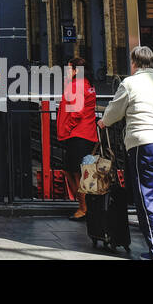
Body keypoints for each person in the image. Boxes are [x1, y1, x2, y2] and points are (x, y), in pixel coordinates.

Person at [99, 45, 153, 260]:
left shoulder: (129, 84)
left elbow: (113, 112)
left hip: (145, 145)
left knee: (150, 198)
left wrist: (103, 122)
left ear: (134, 63)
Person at [57, 56, 98, 221]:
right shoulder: (87, 84)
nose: (66, 71)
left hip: (77, 135)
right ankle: (87, 206)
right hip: (86, 134)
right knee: (81, 172)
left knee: (74, 173)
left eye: (68, 68)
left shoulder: (76, 85)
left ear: (75, 70)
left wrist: (67, 128)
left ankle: (83, 208)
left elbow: (76, 112)